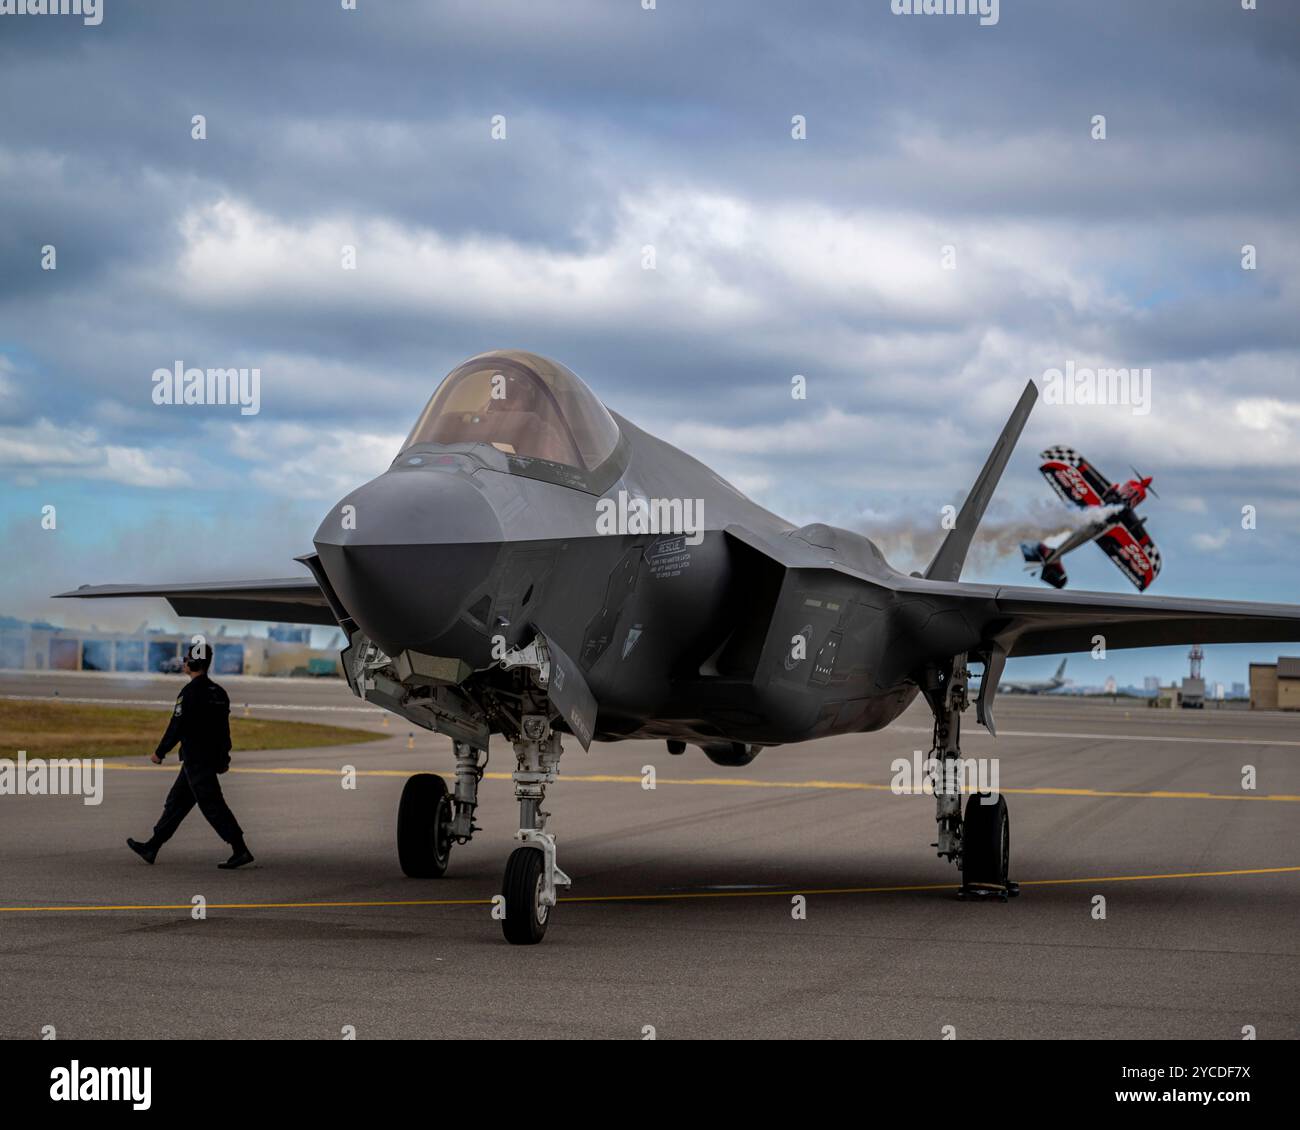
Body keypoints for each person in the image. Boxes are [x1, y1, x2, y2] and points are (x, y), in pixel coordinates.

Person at [126, 642, 254, 869]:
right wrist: (224, 758)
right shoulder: (219, 693)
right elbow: (224, 730)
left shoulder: (190, 692)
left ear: (193, 663)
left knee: (213, 805)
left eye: (186, 659)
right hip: (206, 760)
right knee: (176, 803)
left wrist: (160, 752)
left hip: (197, 760)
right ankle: (152, 846)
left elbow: (177, 725)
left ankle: (240, 849)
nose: (184, 662)